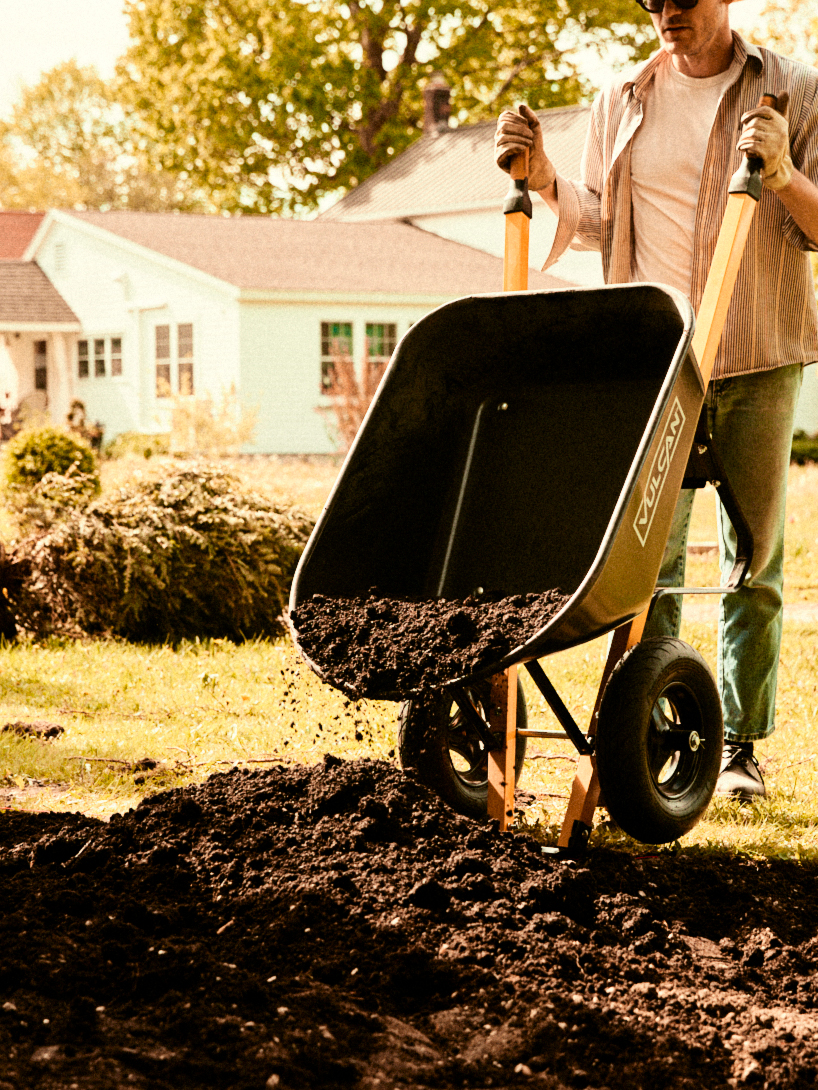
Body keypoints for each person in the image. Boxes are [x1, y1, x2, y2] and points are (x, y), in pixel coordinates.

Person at [494, 0, 818, 801]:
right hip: (659, 358)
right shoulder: (622, 99)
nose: (666, 14)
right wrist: (542, 178)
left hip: (756, 347)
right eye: (651, 1)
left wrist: (781, 175)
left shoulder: (792, 89)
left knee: (754, 560)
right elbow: (602, 219)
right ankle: (647, 736)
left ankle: (739, 745)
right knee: (648, 560)